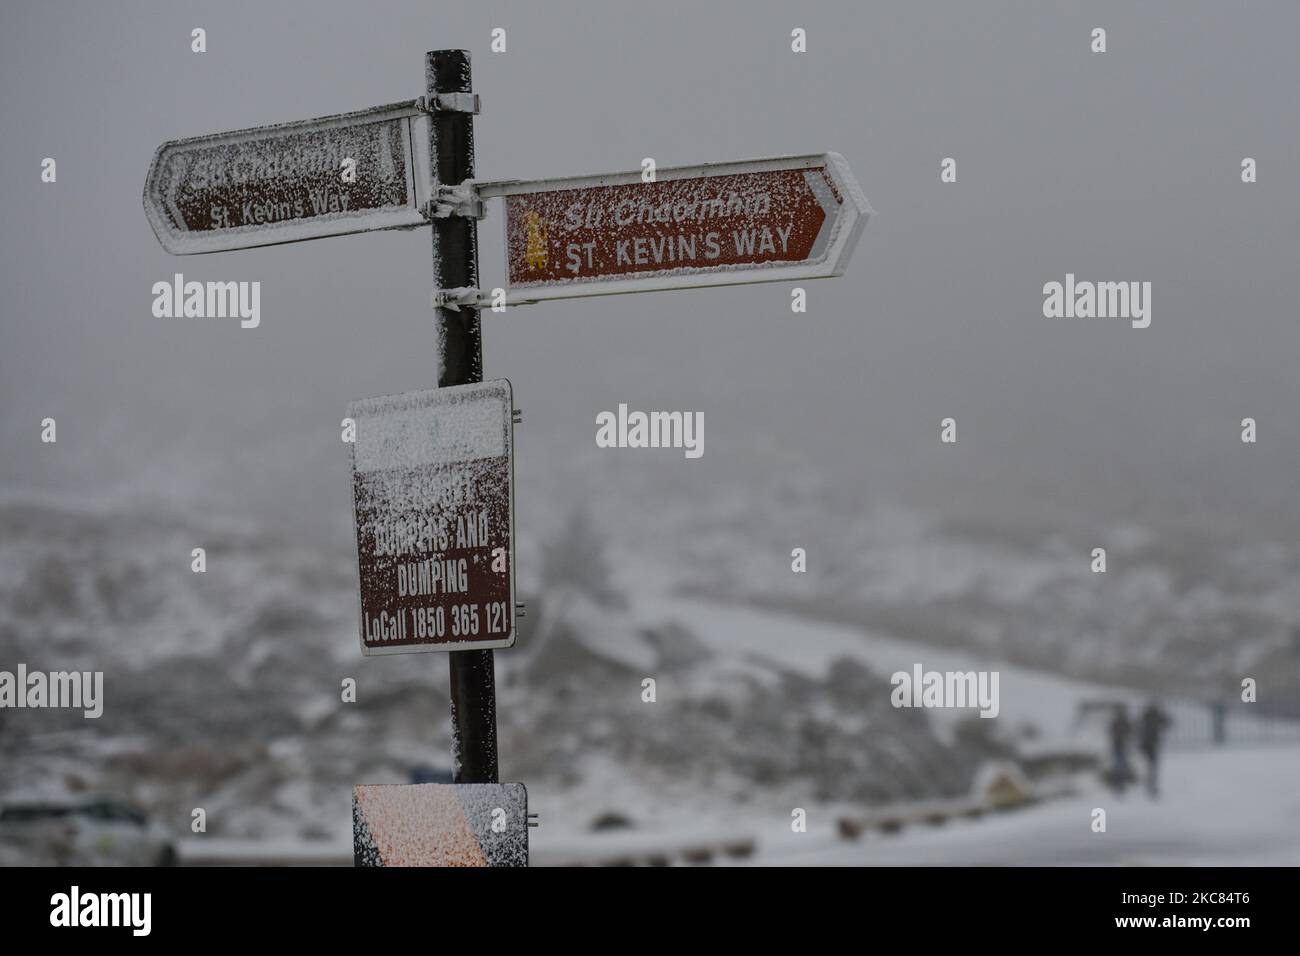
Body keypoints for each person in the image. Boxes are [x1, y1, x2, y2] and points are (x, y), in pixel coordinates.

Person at [1138, 700, 1171, 798]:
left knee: (1151, 766)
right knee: (1152, 766)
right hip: (1150, 744)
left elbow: (1166, 723)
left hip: (1148, 744)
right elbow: (1166, 723)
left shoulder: (1147, 716)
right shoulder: (1152, 717)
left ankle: (1150, 785)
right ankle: (1151, 785)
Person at [1108, 705, 1133, 794]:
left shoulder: (1120, 723)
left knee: (1120, 766)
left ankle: (1119, 784)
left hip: (1121, 747)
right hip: (1119, 746)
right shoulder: (1120, 723)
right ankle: (1118, 784)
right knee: (1119, 766)